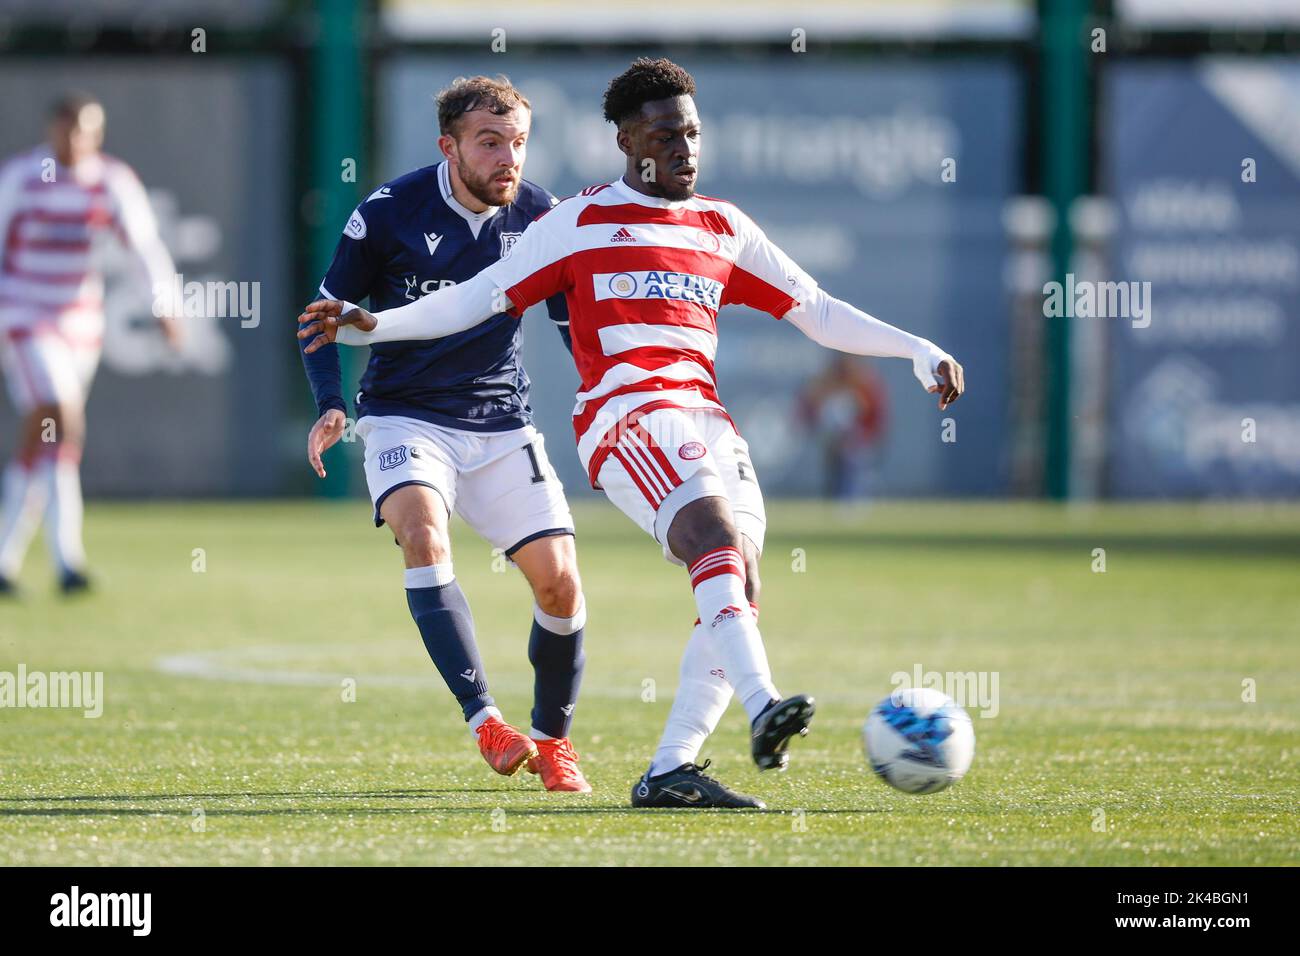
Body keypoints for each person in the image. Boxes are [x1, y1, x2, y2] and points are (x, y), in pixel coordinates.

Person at [300, 58, 965, 808]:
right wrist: (376, 324)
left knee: (733, 583)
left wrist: (917, 348)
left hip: (704, 423)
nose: (685, 147)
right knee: (709, 541)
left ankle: (670, 768)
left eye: (693, 133)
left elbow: (815, 307)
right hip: (625, 418)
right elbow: (477, 299)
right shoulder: (577, 221)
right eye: (666, 133)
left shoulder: (722, 225)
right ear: (626, 140)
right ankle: (760, 704)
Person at [299, 76, 591, 792]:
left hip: (501, 424)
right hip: (405, 415)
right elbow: (322, 316)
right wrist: (332, 403)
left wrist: (602, 385)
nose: (508, 158)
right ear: (449, 146)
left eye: (518, 142)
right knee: (424, 538)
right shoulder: (390, 212)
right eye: (490, 142)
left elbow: (567, 316)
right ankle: (486, 720)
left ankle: (553, 742)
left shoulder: (539, 215)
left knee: (559, 588)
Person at [0, 93, 180, 596]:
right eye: (67, 130)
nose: (74, 140)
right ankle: (67, 559)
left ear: (96, 135)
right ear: (51, 130)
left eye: (85, 131)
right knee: (60, 412)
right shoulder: (21, 177)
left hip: (79, 324)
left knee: (49, 437)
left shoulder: (111, 181)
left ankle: (21, 561)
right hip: (22, 316)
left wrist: (166, 306)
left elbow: (144, 246)